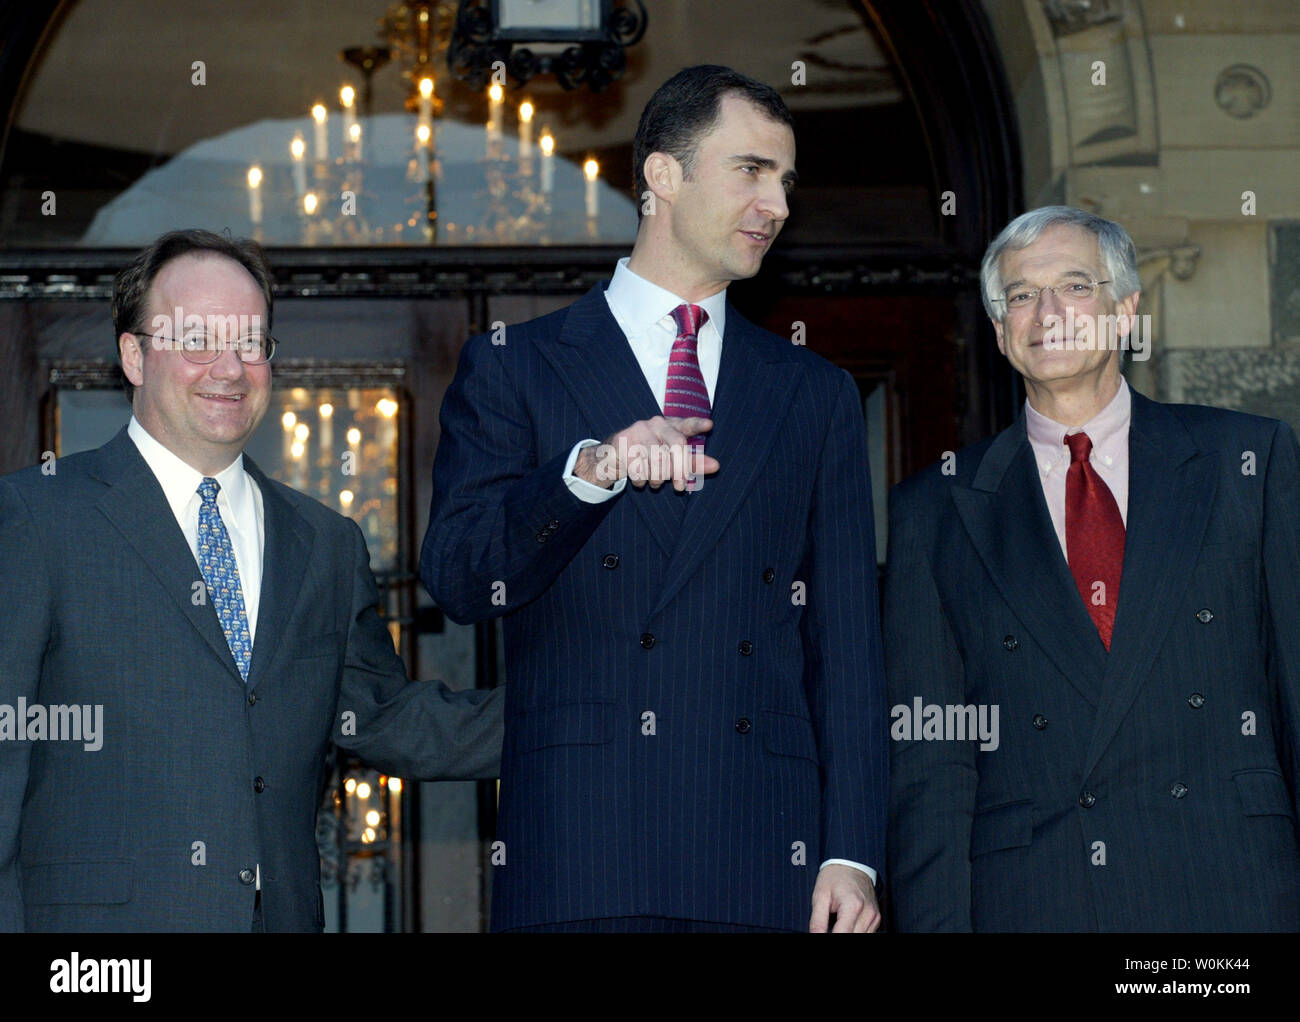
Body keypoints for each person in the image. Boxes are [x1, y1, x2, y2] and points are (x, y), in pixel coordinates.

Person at [422, 65, 887, 933]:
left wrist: (851, 851)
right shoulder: (518, 364)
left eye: (786, 181)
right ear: (662, 177)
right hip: (582, 846)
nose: (778, 205)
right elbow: (458, 576)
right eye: (751, 171)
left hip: (768, 849)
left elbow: (848, 641)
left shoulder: (814, 391)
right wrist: (588, 472)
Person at [0, 230, 503, 932]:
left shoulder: (325, 543)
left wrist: (576, 716)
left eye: (251, 341)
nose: (229, 369)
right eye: (198, 338)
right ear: (135, 355)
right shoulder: (34, 516)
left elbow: (385, 717)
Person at [885, 205, 1300, 931]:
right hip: (1038, 898)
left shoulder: (1247, 464)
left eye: (1074, 285)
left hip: (1231, 890)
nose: (1046, 311)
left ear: (1125, 309)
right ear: (998, 330)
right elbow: (933, 762)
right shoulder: (936, 509)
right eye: (1019, 295)